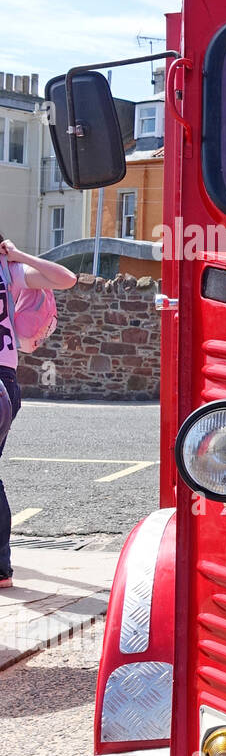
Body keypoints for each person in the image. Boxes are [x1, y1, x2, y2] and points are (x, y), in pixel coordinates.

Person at [0, 237, 76, 588]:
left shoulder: (10, 269)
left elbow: (67, 278)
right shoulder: (8, 272)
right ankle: (2, 568)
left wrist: (18, 255)